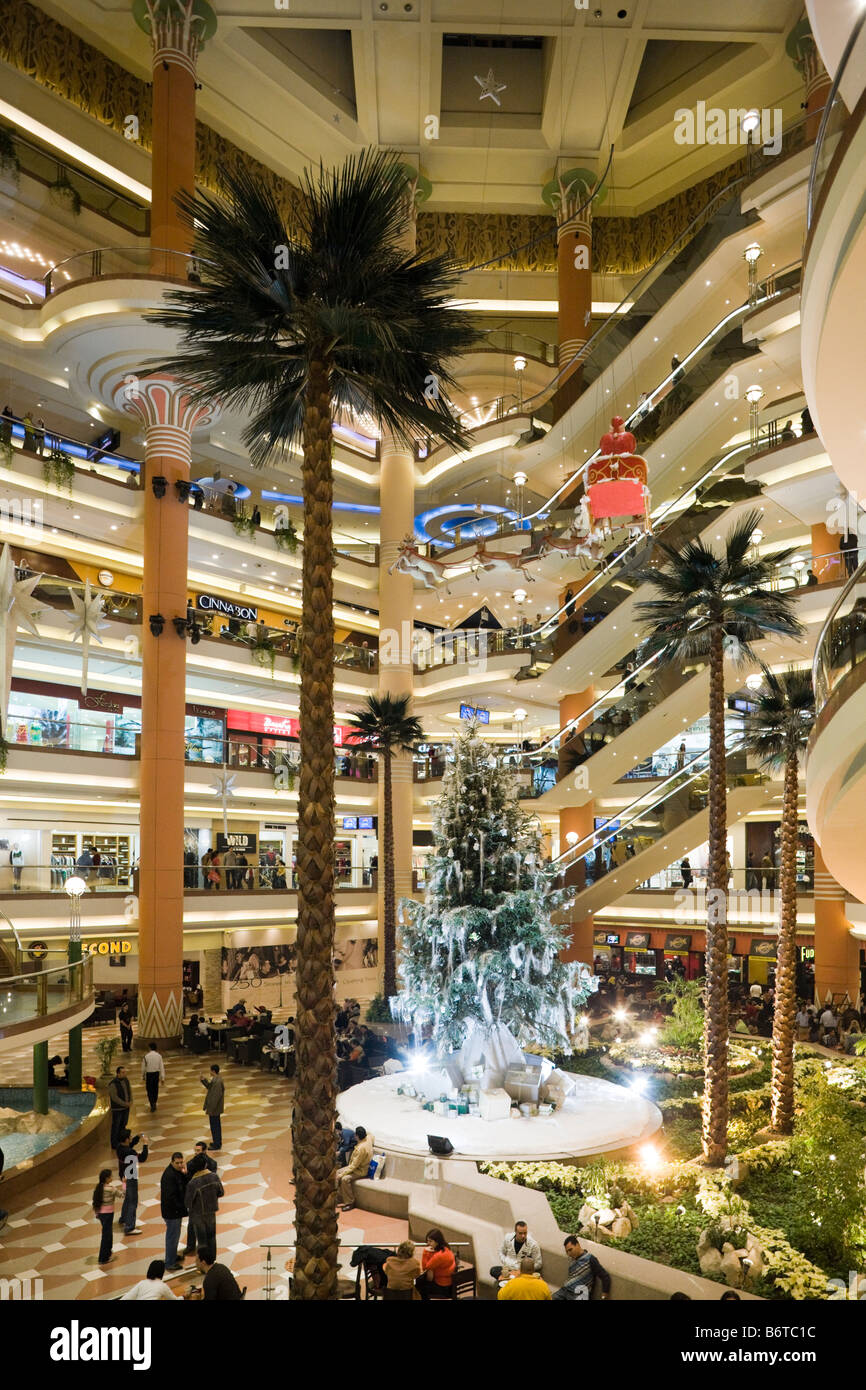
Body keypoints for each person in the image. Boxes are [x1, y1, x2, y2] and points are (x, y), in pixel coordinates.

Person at [552, 1235, 612, 1300]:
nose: (569, 1253)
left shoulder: (590, 1259)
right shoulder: (573, 1259)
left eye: (570, 1250)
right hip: (565, 1290)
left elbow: (605, 1277)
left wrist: (604, 1296)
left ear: (577, 1245)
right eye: (567, 1252)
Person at [185, 1158, 224, 1256]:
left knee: (202, 1240)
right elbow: (221, 1192)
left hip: (198, 1214)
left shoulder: (193, 1183)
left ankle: (204, 1262)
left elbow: (188, 1202)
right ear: (206, 1165)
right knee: (211, 1237)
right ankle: (212, 1259)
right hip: (211, 1211)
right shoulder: (214, 1177)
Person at [116, 1129, 148, 1236]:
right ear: (125, 1139)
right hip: (131, 1177)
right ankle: (129, 1227)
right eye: (129, 1137)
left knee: (128, 1198)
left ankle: (124, 1218)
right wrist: (145, 1144)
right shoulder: (129, 1152)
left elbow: (129, 1145)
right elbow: (143, 1158)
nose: (130, 1138)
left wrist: (137, 1137)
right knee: (133, 1201)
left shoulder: (119, 1147)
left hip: (123, 1175)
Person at [160, 1151, 188, 1271]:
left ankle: (172, 1256)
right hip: (172, 1212)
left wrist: (184, 1173)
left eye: (182, 1162)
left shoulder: (177, 1172)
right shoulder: (169, 1176)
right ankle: (170, 1262)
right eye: (177, 1163)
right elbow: (170, 1197)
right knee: (172, 1237)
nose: (180, 1165)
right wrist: (182, 1208)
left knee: (175, 1236)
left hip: (175, 1211)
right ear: (172, 1162)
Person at [92, 1166, 124, 1266]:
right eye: (110, 1176)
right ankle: (103, 1257)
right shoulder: (111, 1188)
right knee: (106, 1235)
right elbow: (122, 1195)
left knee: (107, 1233)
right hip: (108, 1214)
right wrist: (125, 1183)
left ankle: (108, 1253)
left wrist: (97, 1213)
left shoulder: (98, 1187)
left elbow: (96, 1201)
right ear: (106, 1178)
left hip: (101, 1214)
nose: (112, 1178)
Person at [336, 1125, 373, 1211]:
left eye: (355, 1135)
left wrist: (342, 1174)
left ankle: (350, 1202)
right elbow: (371, 1135)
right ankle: (337, 1197)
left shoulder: (360, 1149)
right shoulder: (368, 1139)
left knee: (344, 1179)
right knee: (337, 1172)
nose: (354, 1136)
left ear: (358, 1136)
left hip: (361, 1171)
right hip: (359, 1167)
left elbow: (353, 1166)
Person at [416, 1228, 456, 1300]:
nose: (428, 1244)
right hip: (450, 1284)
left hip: (442, 1287)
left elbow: (426, 1268)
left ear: (437, 1242)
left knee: (420, 1287)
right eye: (427, 1241)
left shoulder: (439, 1256)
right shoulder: (446, 1249)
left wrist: (425, 1252)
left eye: (430, 1241)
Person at [108, 1064, 132, 1150]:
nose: (124, 1074)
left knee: (123, 1125)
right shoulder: (113, 1084)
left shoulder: (126, 1080)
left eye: (125, 1072)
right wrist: (124, 1103)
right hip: (118, 1109)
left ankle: (121, 1141)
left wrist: (130, 1101)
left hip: (126, 1108)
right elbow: (114, 1097)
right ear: (118, 1073)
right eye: (122, 1072)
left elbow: (129, 1091)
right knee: (116, 1126)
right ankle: (114, 1143)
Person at [201, 1063, 225, 1150]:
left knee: (215, 1126)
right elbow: (210, 1087)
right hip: (214, 1108)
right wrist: (203, 1080)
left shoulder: (218, 1081)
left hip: (214, 1109)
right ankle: (216, 1141)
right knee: (214, 1125)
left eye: (210, 1070)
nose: (210, 1072)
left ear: (213, 1071)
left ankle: (217, 1144)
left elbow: (216, 1096)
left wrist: (211, 1108)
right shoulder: (216, 1079)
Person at [142, 1042, 165, 1112]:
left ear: (149, 1048)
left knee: (149, 1090)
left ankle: (152, 1103)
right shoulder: (159, 1056)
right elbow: (162, 1067)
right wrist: (162, 1077)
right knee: (155, 1089)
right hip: (156, 1074)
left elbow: (143, 1068)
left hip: (149, 1075)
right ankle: (154, 1102)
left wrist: (143, 1075)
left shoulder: (146, 1056)